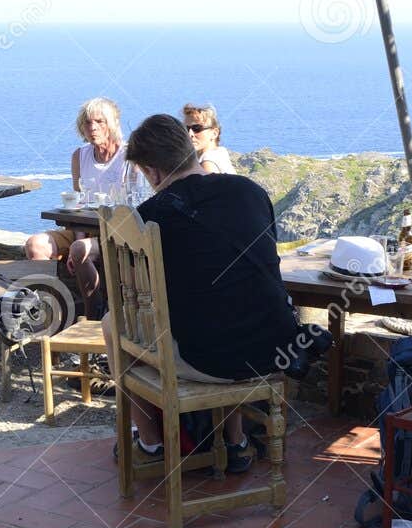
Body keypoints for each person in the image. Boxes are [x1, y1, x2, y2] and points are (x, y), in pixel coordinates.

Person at [117, 114, 302, 473]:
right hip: (274, 350)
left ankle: (152, 441)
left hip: (209, 360)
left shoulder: (150, 217)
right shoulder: (251, 191)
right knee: (224, 306)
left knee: (113, 324)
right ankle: (235, 442)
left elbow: (132, 302)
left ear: (153, 171)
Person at [24, 97, 145, 307]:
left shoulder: (130, 157)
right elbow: (78, 203)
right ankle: (49, 308)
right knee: (36, 244)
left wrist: (78, 246)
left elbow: (136, 206)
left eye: (100, 122)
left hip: (117, 231)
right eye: (88, 123)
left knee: (81, 248)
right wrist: (76, 239)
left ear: (113, 124)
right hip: (83, 228)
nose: (93, 128)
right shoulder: (80, 156)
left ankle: (94, 313)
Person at [183, 103, 235, 174]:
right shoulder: (220, 153)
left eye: (197, 128)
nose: (190, 134)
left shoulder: (207, 163)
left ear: (214, 133)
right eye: (186, 129)